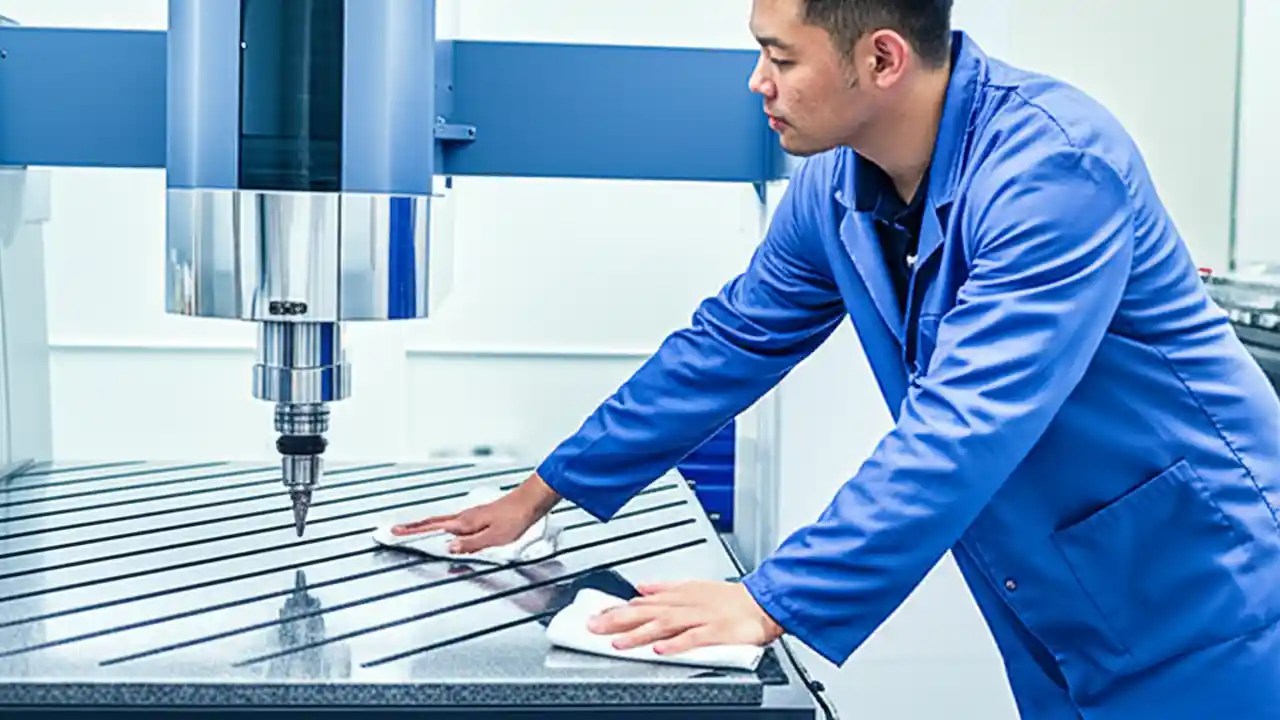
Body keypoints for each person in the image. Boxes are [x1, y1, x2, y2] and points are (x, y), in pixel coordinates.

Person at [395, 0, 1280, 717]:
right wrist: (541, 491)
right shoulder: (835, 184)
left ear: (882, 58)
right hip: (1057, 587)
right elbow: (732, 339)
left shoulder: (1056, 170)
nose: (758, 81)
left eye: (780, 57)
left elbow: (966, 424)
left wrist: (770, 600)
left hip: (1205, 586)